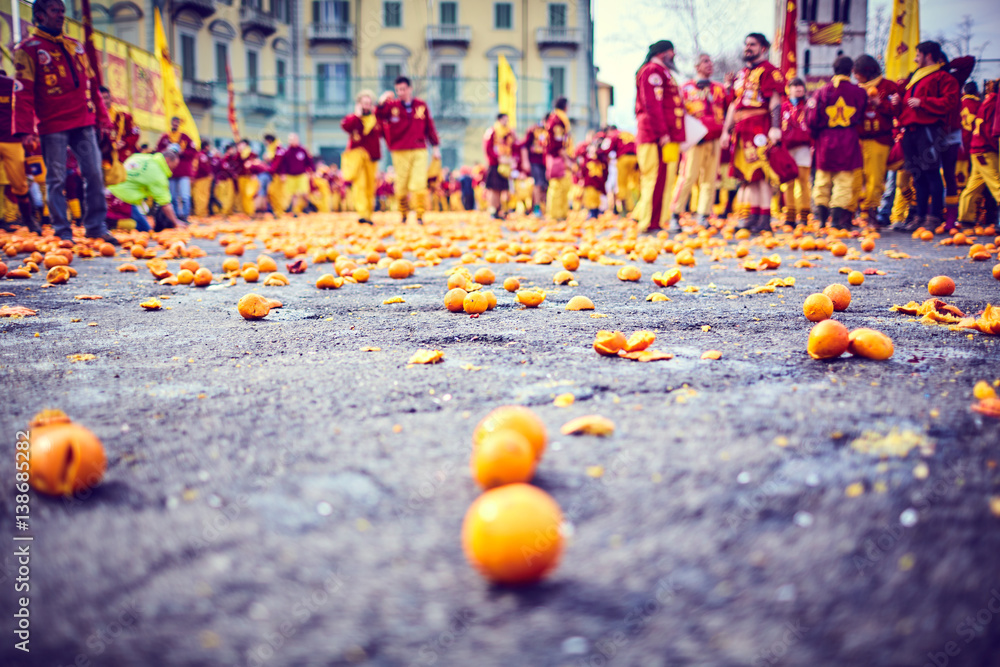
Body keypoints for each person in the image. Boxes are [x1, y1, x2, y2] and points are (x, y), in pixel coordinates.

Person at [13, 0, 116, 244]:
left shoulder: (75, 46)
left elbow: (92, 85)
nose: (61, 15)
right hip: (52, 124)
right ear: (39, 15)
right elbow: (23, 92)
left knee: (94, 173)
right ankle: (62, 231)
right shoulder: (27, 49)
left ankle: (96, 227)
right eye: (54, 10)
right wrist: (25, 130)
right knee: (56, 179)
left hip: (83, 120)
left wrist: (103, 117)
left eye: (62, 10)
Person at [890, 41, 960, 231]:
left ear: (928, 55)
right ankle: (919, 216)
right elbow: (905, 110)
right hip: (910, 131)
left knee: (931, 173)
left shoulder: (943, 77)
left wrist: (924, 102)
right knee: (916, 175)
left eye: (918, 55)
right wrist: (897, 103)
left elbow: (950, 102)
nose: (915, 59)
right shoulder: (915, 77)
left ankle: (934, 216)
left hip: (929, 130)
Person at [720, 33, 786, 233]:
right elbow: (734, 104)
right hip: (741, 131)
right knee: (749, 177)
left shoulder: (770, 71)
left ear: (763, 48)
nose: (747, 48)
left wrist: (775, 127)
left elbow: (775, 100)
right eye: (746, 44)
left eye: (753, 44)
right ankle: (753, 217)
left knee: (762, 174)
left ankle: (765, 218)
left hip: (759, 128)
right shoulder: (741, 74)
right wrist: (725, 131)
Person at [806, 55, 867, 230]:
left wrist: (816, 135)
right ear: (851, 71)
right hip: (848, 139)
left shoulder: (822, 91)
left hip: (825, 139)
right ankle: (836, 221)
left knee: (822, 180)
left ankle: (822, 221)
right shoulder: (859, 92)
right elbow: (862, 117)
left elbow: (812, 119)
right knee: (844, 181)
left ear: (833, 70)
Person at [632, 40, 685, 233]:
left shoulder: (663, 72)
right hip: (656, 136)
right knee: (654, 178)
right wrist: (662, 133)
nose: (674, 56)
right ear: (663, 53)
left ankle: (659, 220)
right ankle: (649, 222)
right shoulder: (651, 71)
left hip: (670, 137)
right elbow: (652, 104)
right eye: (672, 52)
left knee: (667, 178)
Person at [671, 54, 728, 227]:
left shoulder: (719, 88)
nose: (710, 64)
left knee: (710, 179)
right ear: (696, 66)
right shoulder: (685, 88)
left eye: (710, 61)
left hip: (715, 139)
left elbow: (728, 109)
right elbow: (678, 111)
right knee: (688, 176)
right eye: (705, 61)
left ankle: (704, 214)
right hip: (695, 139)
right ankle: (675, 213)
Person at [376, 76, 440, 224]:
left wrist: (435, 146)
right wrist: (381, 102)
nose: (400, 92)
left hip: (419, 148)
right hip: (400, 149)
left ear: (410, 89)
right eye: (398, 90)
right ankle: (403, 213)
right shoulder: (391, 106)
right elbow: (378, 117)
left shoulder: (421, 105)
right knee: (402, 184)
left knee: (419, 182)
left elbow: (429, 126)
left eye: (403, 89)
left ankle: (420, 215)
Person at [851, 55, 901, 226]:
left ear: (866, 72)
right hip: (858, 140)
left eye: (857, 73)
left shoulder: (888, 86)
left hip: (879, 139)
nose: (855, 76)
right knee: (856, 177)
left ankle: (871, 213)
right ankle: (857, 212)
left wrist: (879, 103)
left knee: (875, 178)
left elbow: (897, 111)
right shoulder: (855, 89)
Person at [108, 146, 184, 232]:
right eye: (173, 167)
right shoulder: (159, 175)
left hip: (110, 192)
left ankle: (111, 220)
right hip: (124, 199)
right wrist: (176, 222)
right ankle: (113, 223)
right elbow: (165, 204)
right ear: (167, 160)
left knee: (140, 220)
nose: (173, 170)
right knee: (145, 228)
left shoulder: (140, 156)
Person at [957, 82, 998, 226]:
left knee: (973, 185)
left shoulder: (985, 102)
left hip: (974, 149)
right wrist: (995, 147)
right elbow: (989, 129)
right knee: (996, 183)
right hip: (985, 149)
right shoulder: (992, 104)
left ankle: (965, 217)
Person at [0, 70, 36, 232]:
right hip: (12, 141)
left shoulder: (13, 85)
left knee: (20, 183)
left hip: (12, 140)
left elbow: (28, 106)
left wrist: (29, 133)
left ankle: (29, 220)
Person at [341, 89, 381, 225]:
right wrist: (357, 115)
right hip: (357, 158)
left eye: (368, 103)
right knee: (360, 185)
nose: (366, 106)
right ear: (359, 104)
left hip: (371, 158)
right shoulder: (354, 119)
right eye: (364, 103)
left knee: (370, 187)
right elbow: (346, 126)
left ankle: (369, 214)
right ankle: (362, 214)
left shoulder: (376, 119)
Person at [778, 78, 812, 225]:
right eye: (795, 86)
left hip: (804, 147)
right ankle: (790, 215)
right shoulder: (783, 107)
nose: (798, 89)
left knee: (804, 181)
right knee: (788, 182)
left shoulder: (808, 106)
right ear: (788, 89)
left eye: (800, 86)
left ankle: (804, 215)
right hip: (786, 149)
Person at [156, 116, 197, 221]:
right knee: (172, 197)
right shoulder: (165, 137)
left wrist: (182, 152)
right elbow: (158, 151)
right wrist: (167, 151)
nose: (175, 124)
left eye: (176, 122)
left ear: (179, 124)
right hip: (170, 172)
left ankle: (185, 217)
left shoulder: (185, 137)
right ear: (171, 123)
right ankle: (174, 218)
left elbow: (193, 152)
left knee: (185, 196)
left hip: (183, 171)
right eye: (173, 122)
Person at [270, 133, 314, 217]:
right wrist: (283, 174)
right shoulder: (287, 152)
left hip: (301, 175)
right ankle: (295, 211)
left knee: (304, 192)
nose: (292, 141)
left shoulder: (302, 150)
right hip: (290, 175)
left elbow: (309, 161)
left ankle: (307, 205)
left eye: (294, 139)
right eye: (290, 140)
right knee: (293, 194)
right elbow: (284, 164)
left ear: (297, 140)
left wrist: (312, 171)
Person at [544, 97, 573, 221]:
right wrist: (567, 159)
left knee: (563, 186)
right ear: (565, 106)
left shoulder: (557, 118)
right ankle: (555, 215)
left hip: (558, 156)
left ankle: (561, 214)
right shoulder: (557, 120)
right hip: (557, 158)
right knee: (557, 187)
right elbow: (557, 143)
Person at [484, 113, 515, 219]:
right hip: (495, 164)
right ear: (499, 119)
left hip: (505, 166)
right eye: (504, 120)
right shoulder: (492, 131)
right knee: (494, 189)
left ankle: (499, 210)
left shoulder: (508, 133)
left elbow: (514, 146)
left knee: (502, 189)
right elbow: (488, 148)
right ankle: (493, 210)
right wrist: (498, 158)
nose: (506, 122)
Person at [520, 116, 549, 216]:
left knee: (545, 185)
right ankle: (536, 208)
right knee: (538, 184)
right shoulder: (533, 130)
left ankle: (543, 207)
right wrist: (525, 161)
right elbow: (524, 146)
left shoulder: (549, 131)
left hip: (545, 162)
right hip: (535, 161)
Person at [191, 141, 215, 217]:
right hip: (202, 178)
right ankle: (201, 213)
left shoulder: (199, 155)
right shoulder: (202, 156)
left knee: (201, 195)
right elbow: (204, 167)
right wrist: (209, 173)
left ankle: (201, 212)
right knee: (201, 196)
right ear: (206, 146)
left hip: (200, 178)